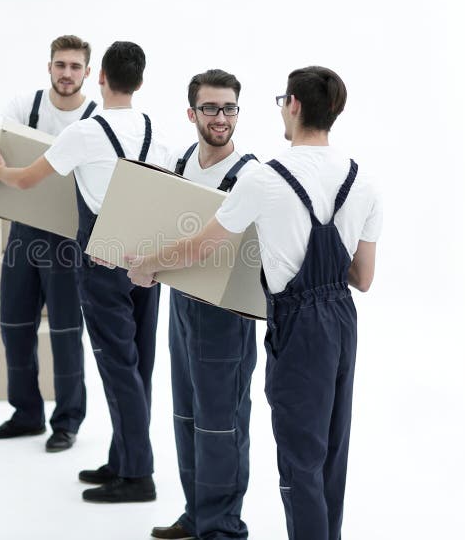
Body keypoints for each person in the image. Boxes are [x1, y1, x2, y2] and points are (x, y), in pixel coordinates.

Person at [127, 66, 382, 540]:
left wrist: (147, 265)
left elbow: (201, 246)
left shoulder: (263, 179)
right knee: (330, 450)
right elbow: (362, 278)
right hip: (341, 318)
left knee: (298, 459)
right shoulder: (363, 182)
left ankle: (222, 526)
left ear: (295, 106)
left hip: (295, 319)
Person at [0, 41, 172, 503]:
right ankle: (123, 458)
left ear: (100, 76)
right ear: (141, 83)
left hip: (102, 264)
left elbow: (28, 180)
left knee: (117, 366)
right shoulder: (155, 133)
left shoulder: (86, 132)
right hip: (145, 264)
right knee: (138, 366)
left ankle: (138, 477)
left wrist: (0, 174)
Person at [0, 35, 98, 453]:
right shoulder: (27, 106)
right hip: (24, 233)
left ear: (88, 73)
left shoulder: (94, 119)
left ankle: (67, 421)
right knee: (14, 324)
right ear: (49, 67)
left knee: (64, 331)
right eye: (60, 65)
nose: (67, 74)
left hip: (67, 241)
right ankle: (26, 414)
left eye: (75, 67)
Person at [151, 69, 260, 540]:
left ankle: (223, 529)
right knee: (187, 414)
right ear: (192, 112)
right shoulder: (181, 162)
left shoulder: (251, 175)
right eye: (212, 108)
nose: (222, 117)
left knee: (222, 424)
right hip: (183, 304)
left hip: (225, 315)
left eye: (230, 108)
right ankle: (196, 516)